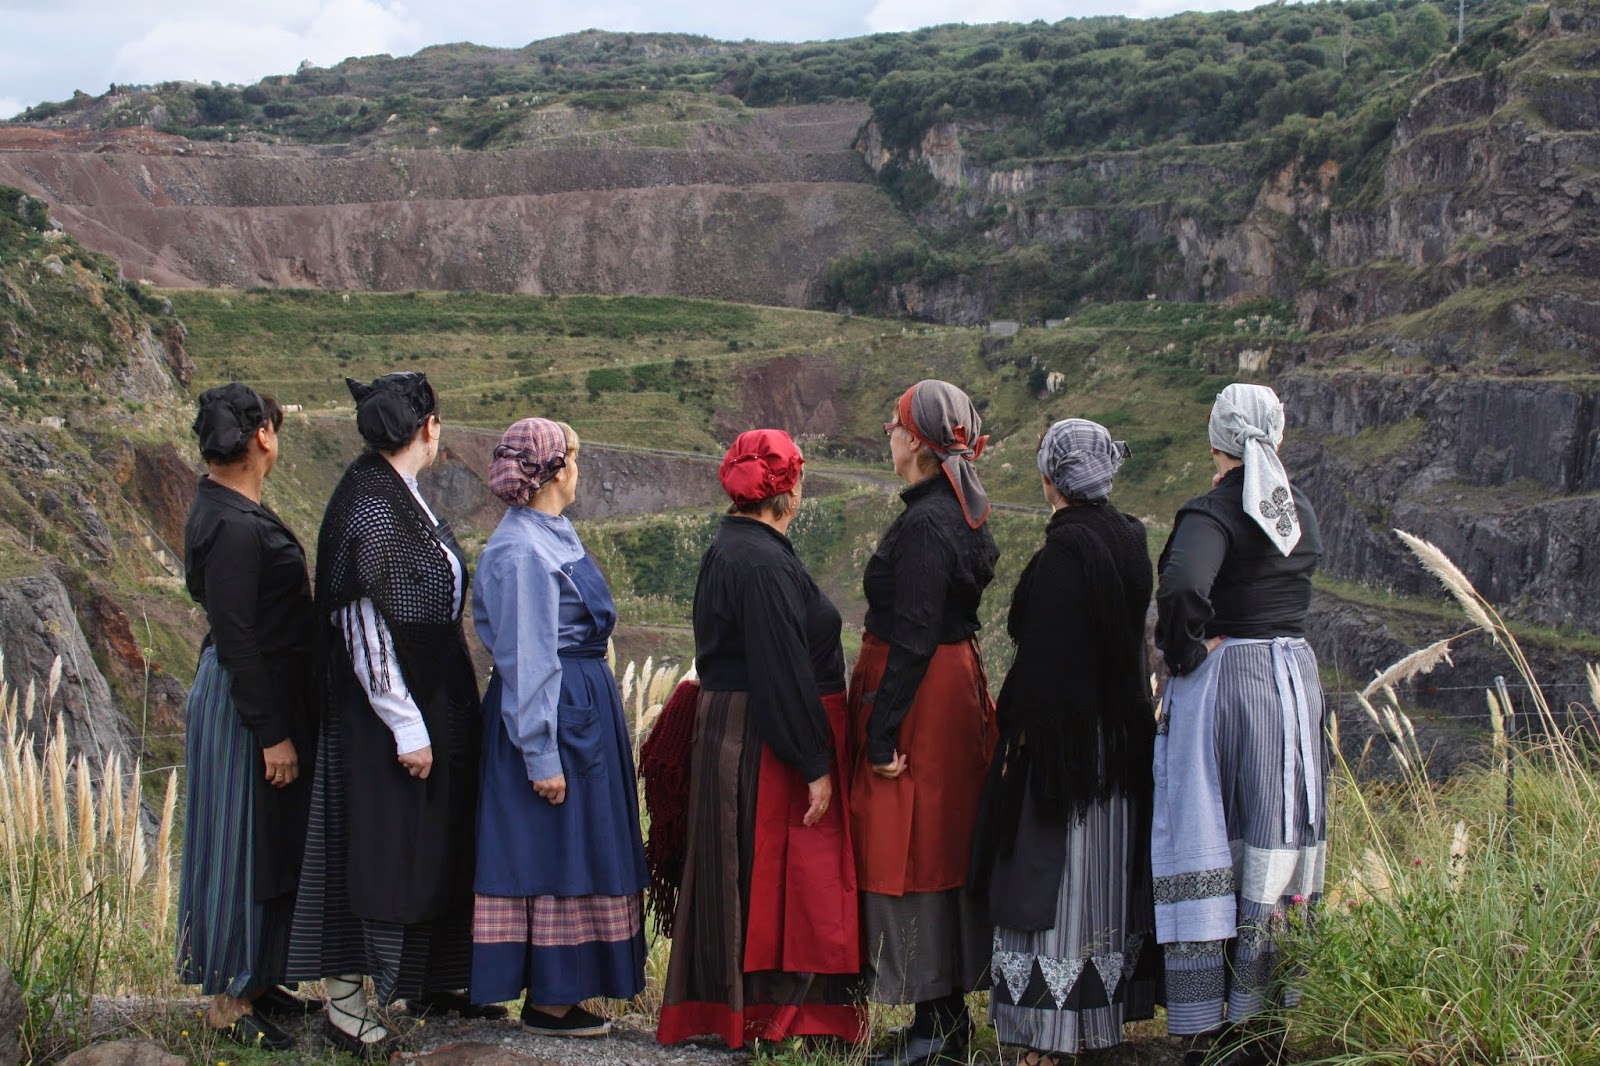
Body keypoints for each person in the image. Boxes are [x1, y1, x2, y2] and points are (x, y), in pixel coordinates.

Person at [287, 372, 498, 1056]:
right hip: (383, 714)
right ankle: (347, 1002)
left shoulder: (393, 495)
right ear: (427, 427)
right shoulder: (370, 505)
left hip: (424, 697)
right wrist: (406, 722)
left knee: (424, 844)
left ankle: (432, 981)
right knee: (377, 849)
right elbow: (361, 622)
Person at [656, 429, 865, 1050]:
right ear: (788, 493)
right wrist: (814, 761)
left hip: (736, 726)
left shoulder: (733, 546)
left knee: (744, 867)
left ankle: (745, 1012)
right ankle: (783, 1018)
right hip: (764, 739)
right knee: (785, 877)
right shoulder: (764, 563)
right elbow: (781, 668)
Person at [971, 419, 1160, 1065]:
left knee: (1055, 883)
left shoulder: (1062, 557)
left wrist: (1015, 731)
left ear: (1049, 479)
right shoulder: (1130, 539)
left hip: (1063, 753)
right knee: (1103, 882)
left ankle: (1048, 1038)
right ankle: (1098, 1022)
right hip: (1119, 744)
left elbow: (1044, 668)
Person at [1153, 383, 1327, 1066]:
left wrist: (1185, 652)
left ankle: (1208, 1019)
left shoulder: (1215, 510)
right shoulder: (1297, 509)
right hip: (1293, 680)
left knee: (1211, 835)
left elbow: (1182, 587)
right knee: (1272, 834)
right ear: (1278, 434)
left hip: (1230, 684)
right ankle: (1263, 1017)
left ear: (1214, 436)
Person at [470, 418, 648, 1034]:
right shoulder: (521, 550)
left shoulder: (549, 531)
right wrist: (541, 755)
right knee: (553, 848)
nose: (579, 468)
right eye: (573, 458)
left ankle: (564, 987)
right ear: (553, 471)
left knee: (576, 845)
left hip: (577, 710)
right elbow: (527, 659)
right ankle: (549, 997)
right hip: (551, 715)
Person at [850, 380, 999, 1066]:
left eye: (894, 425)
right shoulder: (958, 511)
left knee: (919, 848)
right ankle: (940, 1019)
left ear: (914, 440)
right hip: (949, 689)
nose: (888, 434)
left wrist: (881, 731)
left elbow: (911, 633)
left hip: (921, 700)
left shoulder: (927, 525)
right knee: (940, 843)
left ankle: (935, 1030)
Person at [177, 383, 319, 1051]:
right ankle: (231, 1000)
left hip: (246, 690)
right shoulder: (233, 525)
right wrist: (273, 734)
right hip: (244, 698)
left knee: (258, 837)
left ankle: (256, 979)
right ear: (262, 436)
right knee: (240, 837)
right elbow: (236, 635)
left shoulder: (225, 506)